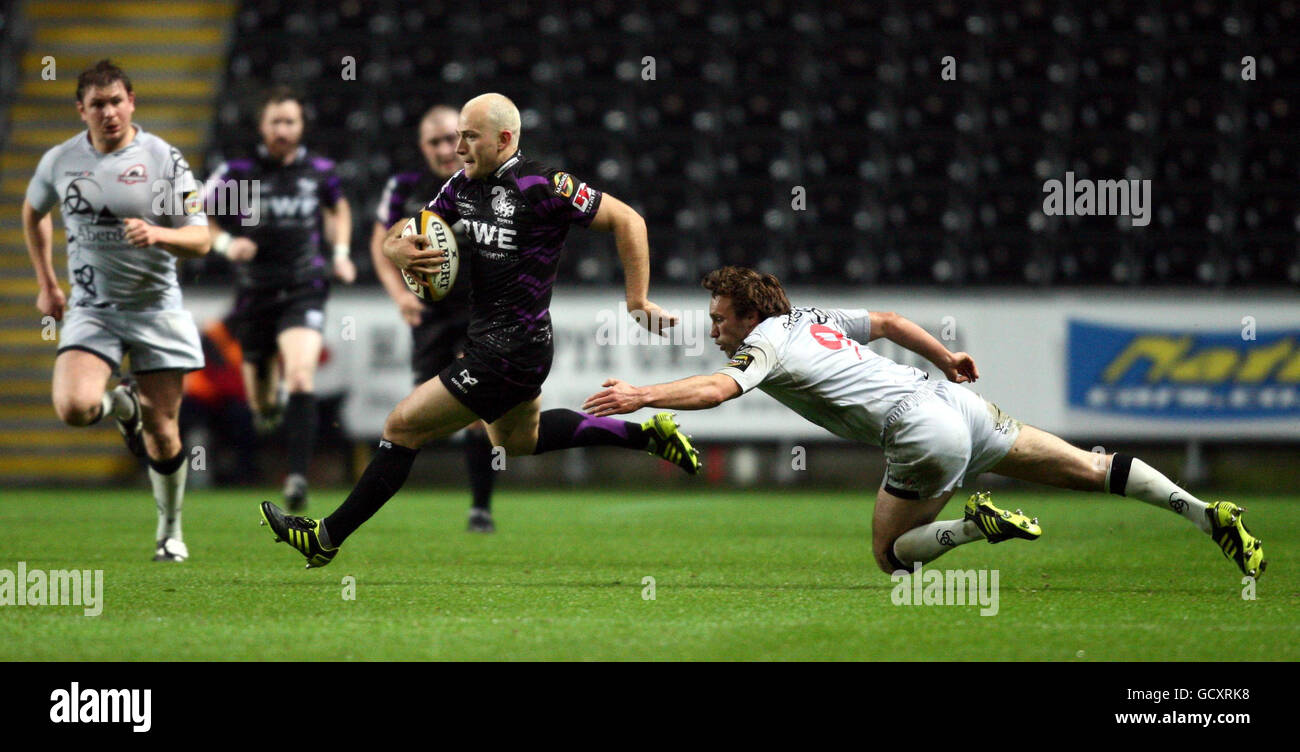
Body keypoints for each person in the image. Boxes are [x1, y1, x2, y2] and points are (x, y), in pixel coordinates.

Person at [581, 266, 1267, 581]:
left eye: (720, 316)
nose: (715, 326)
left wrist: (643, 394)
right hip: (953, 402)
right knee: (1092, 468)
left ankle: (975, 525)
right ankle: (1206, 513)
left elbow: (718, 390)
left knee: (889, 557)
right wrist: (947, 354)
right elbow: (884, 321)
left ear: (749, 316)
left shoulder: (767, 343)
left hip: (918, 431)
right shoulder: (811, 319)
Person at [259, 92, 699, 567]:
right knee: (516, 442)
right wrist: (396, 250)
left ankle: (325, 535)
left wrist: (636, 300)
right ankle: (649, 436)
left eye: (469, 137)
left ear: (504, 139)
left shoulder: (544, 184)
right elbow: (402, 231)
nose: (458, 147)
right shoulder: (462, 186)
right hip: (501, 342)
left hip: (511, 350)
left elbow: (628, 220)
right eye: (456, 137)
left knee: (401, 426)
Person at [22, 59, 211, 562]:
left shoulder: (165, 160)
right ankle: (120, 405)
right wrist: (47, 283)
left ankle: (170, 531)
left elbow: (202, 237)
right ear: (80, 109)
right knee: (75, 409)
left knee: (164, 432)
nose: (109, 112)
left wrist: (159, 232)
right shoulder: (59, 161)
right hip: (93, 309)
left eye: (117, 101)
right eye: (98, 104)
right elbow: (33, 212)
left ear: (132, 102)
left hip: (156, 310)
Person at [204, 86, 354, 512]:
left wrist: (340, 254)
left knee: (302, 376)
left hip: (304, 286)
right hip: (254, 293)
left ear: (301, 126)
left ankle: (297, 478)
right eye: (276, 122)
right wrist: (226, 245)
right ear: (262, 126)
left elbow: (338, 210)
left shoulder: (320, 171)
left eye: (290, 122)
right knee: (263, 403)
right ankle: (270, 409)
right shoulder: (237, 172)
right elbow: (201, 215)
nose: (283, 130)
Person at [372, 105, 497, 533]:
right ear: (422, 147)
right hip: (428, 313)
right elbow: (380, 244)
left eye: (452, 138)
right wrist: (399, 297)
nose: (446, 148)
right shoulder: (406, 186)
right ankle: (382, 502)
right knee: (414, 417)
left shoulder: (482, 181)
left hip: (478, 314)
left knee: (478, 406)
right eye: (435, 141)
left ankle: (480, 508)